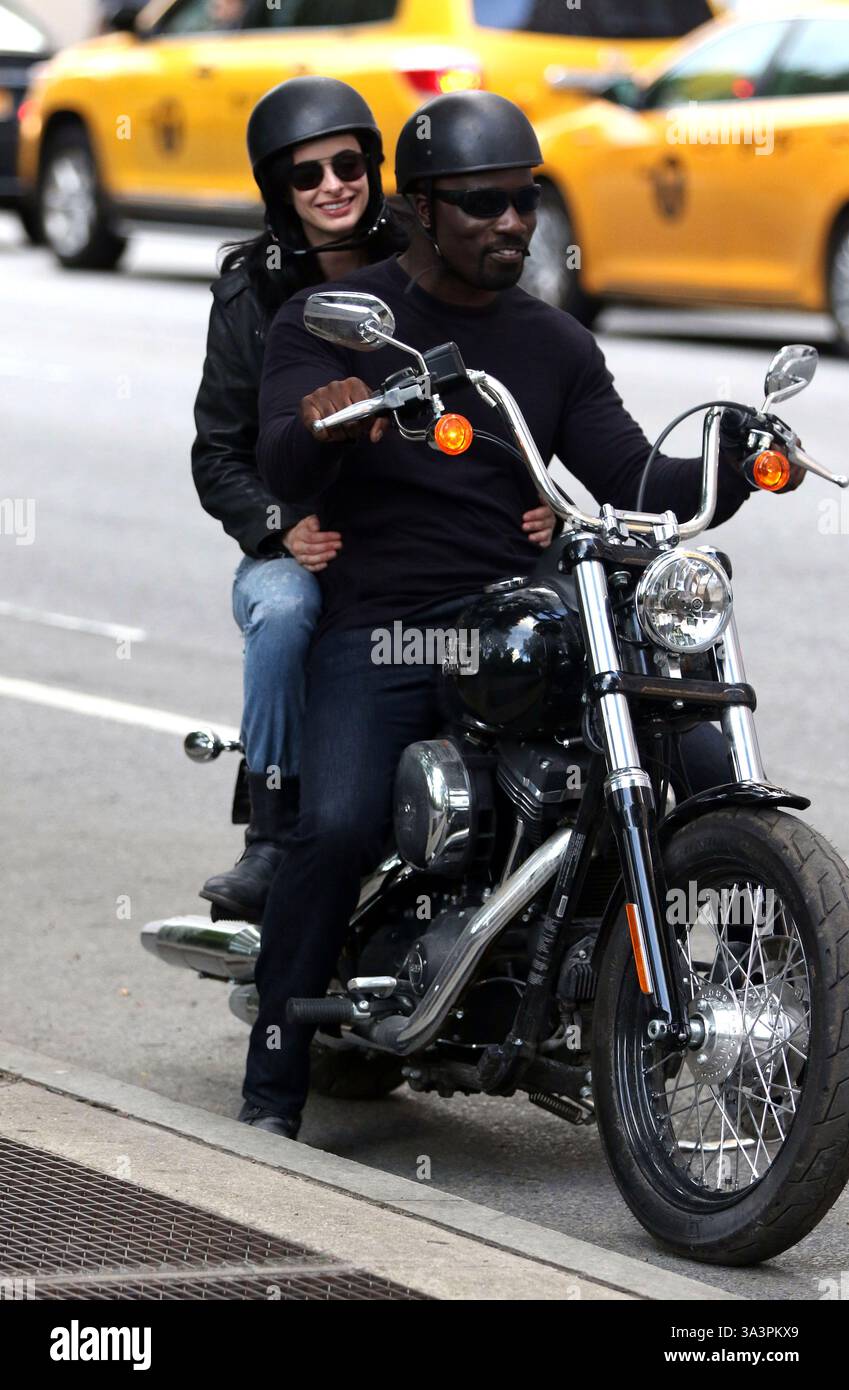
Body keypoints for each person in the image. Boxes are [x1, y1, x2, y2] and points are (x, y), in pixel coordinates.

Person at [240, 91, 801, 1139]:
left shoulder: (552, 342)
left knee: (695, 743)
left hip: (522, 608)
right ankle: (272, 1080)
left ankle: (738, 1008)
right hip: (395, 621)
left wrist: (739, 458)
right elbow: (279, 458)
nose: (510, 222)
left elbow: (635, 474)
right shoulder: (336, 321)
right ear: (423, 209)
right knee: (342, 823)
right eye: (483, 202)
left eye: (525, 200)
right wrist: (321, 422)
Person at [192, 78, 554, 920]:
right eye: (306, 174)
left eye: (347, 163)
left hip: (422, 529)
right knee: (281, 609)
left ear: (375, 167)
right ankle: (276, 830)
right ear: (278, 193)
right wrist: (279, 526)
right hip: (311, 538)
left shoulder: (429, 250)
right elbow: (217, 453)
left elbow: (513, 387)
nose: (332, 186)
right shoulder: (250, 294)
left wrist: (534, 493)